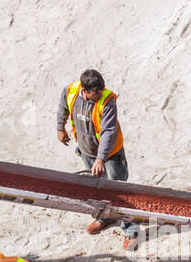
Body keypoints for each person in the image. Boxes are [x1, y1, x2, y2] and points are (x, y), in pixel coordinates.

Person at [56, 68, 140, 246]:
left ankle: (130, 229)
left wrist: (101, 159)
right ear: (85, 91)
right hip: (87, 151)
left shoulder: (107, 101)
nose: (100, 94)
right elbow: (63, 108)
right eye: (96, 93)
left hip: (110, 154)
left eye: (101, 90)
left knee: (119, 191)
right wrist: (60, 128)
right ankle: (105, 218)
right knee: (96, 189)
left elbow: (109, 131)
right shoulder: (70, 91)